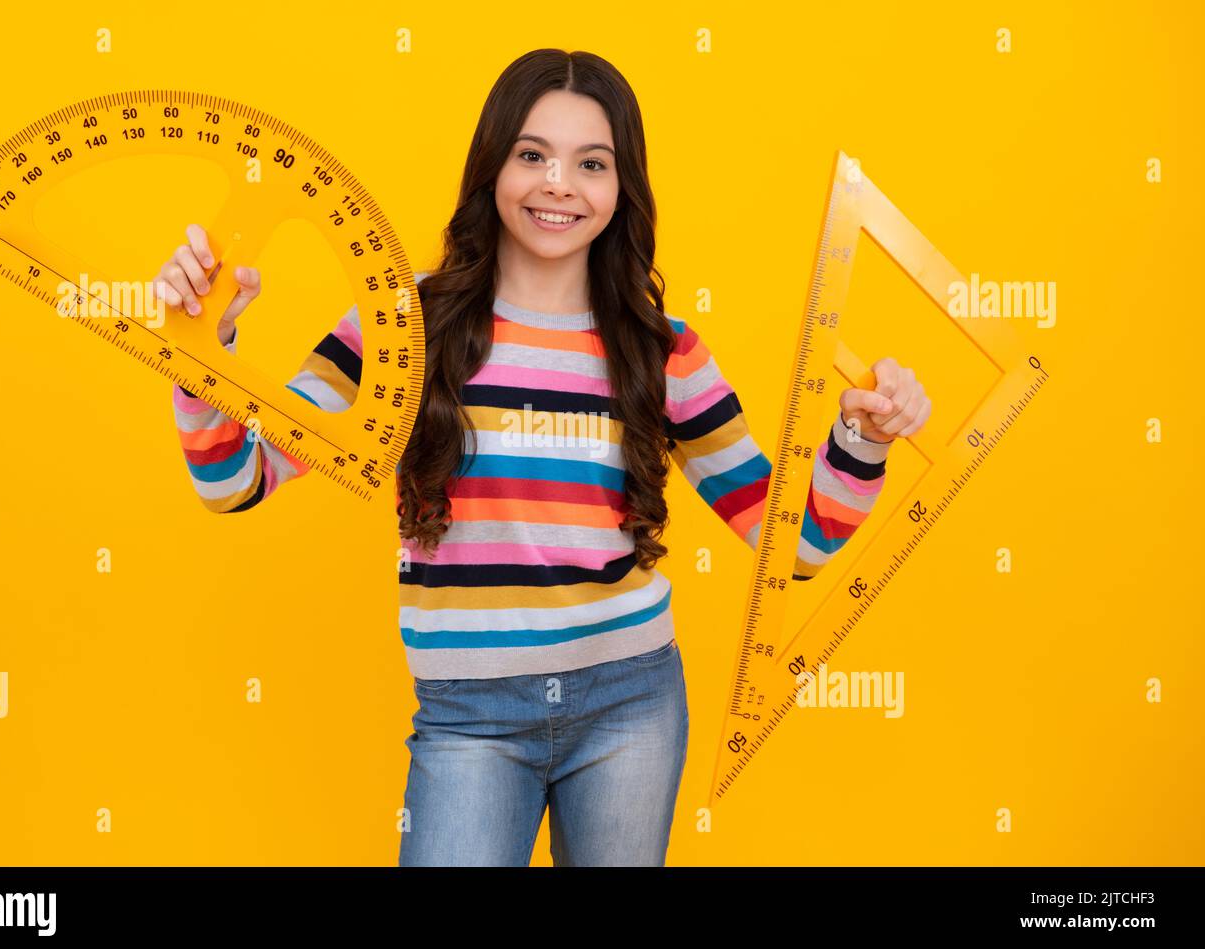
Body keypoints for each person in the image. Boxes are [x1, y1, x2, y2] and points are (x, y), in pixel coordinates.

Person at [158, 49, 932, 866]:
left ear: (621, 186)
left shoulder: (664, 353)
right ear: (491, 166)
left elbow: (798, 547)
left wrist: (865, 440)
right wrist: (201, 348)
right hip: (467, 716)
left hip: (632, 703)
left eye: (591, 163)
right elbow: (234, 482)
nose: (559, 183)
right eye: (532, 155)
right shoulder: (402, 325)